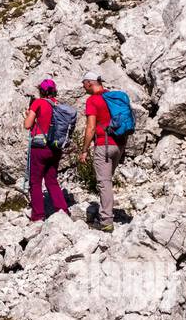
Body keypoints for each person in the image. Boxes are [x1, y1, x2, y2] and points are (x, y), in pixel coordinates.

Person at [78, 70, 124, 231]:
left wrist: (84, 150)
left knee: (104, 183)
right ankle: (107, 213)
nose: (83, 87)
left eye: (84, 83)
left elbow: (90, 128)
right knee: (107, 181)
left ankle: (106, 222)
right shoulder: (112, 97)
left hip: (103, 146)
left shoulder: (93, 100)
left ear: (90, 83)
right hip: (119, 145)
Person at [22, 79, 69, 222]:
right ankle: (63, 211)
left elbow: (27, 125)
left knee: (35, 182)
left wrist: (28, 115)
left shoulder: (38, 103)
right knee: (52, 180)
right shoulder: (58, 105)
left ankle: (38, 216)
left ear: (41, 91)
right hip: (55, 147)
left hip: (40, 146)